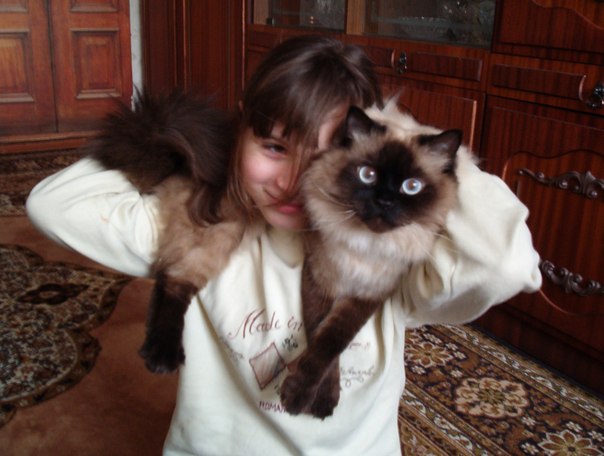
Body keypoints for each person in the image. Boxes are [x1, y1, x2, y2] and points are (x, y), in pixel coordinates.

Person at [26, 35, 542, 455]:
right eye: (274, 146)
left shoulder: (395, 254)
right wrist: (221, 149)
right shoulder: (204, 225)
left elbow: (507, 263)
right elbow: (53, 203)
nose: (291, 182)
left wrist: (406, 136)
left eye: (321, 155)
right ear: (242, 129)